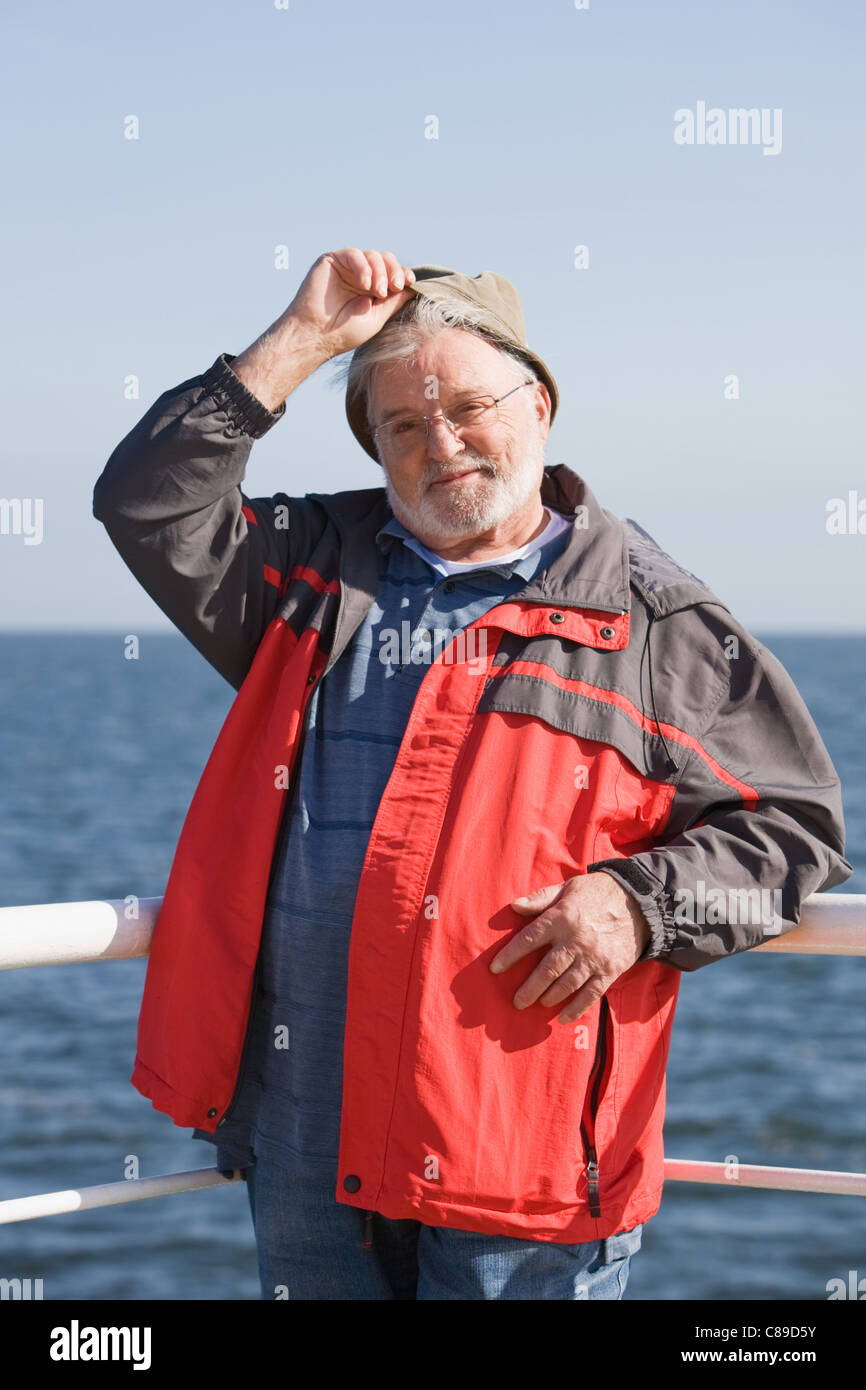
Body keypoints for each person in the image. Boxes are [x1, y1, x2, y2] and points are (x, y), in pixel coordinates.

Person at [93, 248, 852, 1301]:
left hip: (523, 1176)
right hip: (309, 1151)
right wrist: (302, 339)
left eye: (466, 406)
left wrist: (635, 907)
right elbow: (146, 503)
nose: (438, 443)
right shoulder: (310, 569)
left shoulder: (658, 619)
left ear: (537, 403)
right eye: (400, 424)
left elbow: (792, 828)